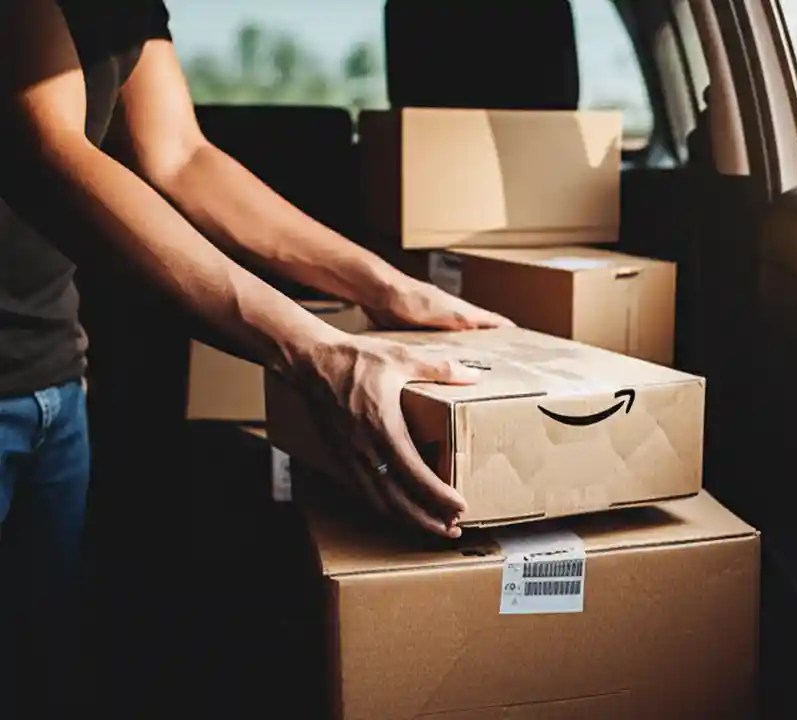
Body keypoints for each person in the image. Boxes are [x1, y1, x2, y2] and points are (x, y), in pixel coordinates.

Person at [0, 0, 510, 715]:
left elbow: (182, 155)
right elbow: (50, 149)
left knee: (44, 668)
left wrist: (387, 285)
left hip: (56, 378)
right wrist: (317, 351)